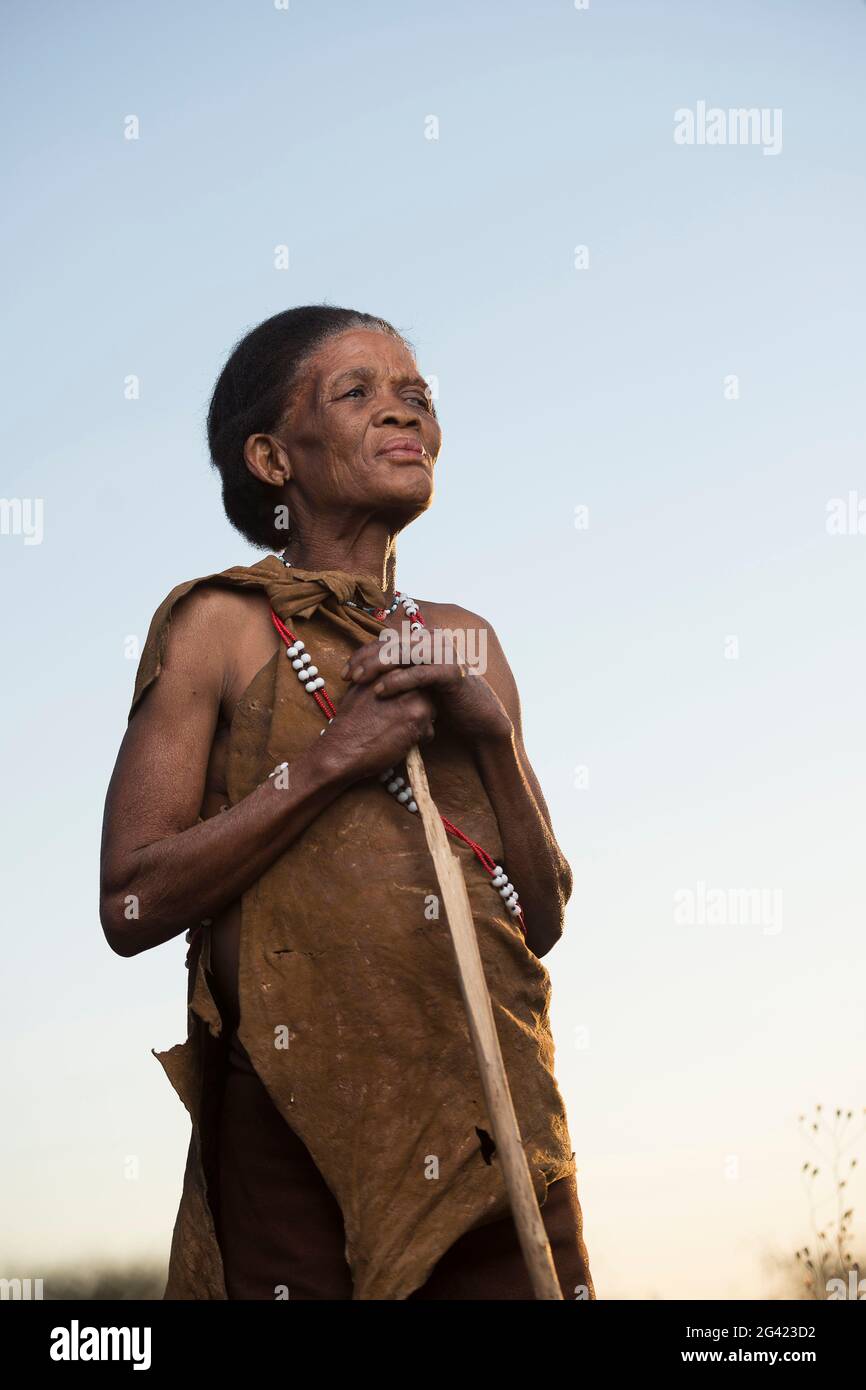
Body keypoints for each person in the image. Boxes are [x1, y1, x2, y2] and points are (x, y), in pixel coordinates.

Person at [99, 305, 595, 1300]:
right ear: (273, 458)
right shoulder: (219, 627)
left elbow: (536, 918)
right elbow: (131, 903)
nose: (401, 409)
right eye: (357, 391)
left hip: (484, 1115)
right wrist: (332, 759)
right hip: (291, 1112)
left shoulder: (466, 641)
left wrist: (488, 731)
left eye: (415, 392)